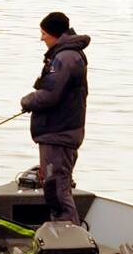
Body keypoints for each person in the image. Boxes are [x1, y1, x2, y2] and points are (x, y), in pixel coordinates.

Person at [19, 12, 90, 223]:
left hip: (59, 134)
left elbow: (50, 95)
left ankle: (68, 241)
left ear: (54, 34)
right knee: (58, 186)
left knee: (56, 191)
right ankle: (63, 237)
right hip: (60, 133)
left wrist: (27, 101)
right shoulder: (65, 55)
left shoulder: (65, 58)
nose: (42, 38)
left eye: (43, 33)